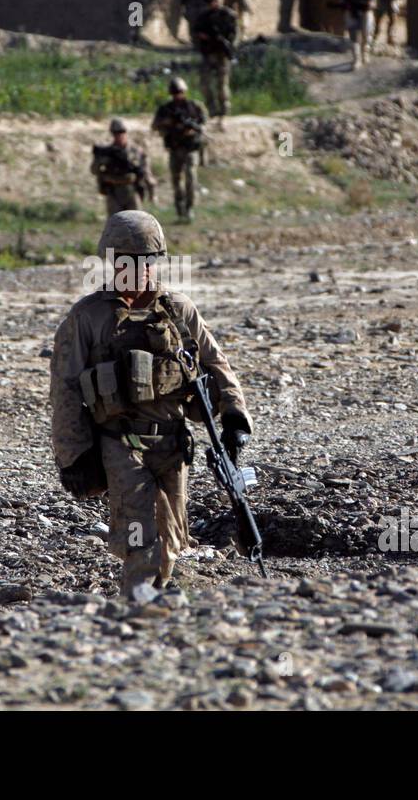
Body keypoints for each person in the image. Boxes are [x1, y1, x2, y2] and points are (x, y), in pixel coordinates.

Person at [49, 210, 253, 601]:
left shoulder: (178, 310)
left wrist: (234, 418)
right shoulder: (87, 319)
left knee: (173, 539)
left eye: (146, 262)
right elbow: (65, 390)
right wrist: (73, 455)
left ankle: (154, 605)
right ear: (110, 263)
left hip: (173, 443)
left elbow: (215, 363)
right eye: (126, 262)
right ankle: (139, 607)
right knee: (140, 538)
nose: (137, 271)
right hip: (121, 444)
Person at [151, 78, 207, 223]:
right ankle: (180, 209)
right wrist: (167, 123)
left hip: (190, 149)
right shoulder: (165, 109)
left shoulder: (194, 106)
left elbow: (203, 123)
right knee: (176, 181)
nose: (178, 95)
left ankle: (189, 209)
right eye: (175, 93)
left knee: (190, 178)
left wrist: (191, 131)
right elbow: (155, 126)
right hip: (175, 148)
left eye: (180, 92)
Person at [91, 118, 156, 215]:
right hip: (114, 192)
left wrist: (152, 192)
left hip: (132, 191)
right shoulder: (107, 152)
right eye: (115, 133)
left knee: (136, 223)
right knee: (116, 224)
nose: (119, 135)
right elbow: (94, 170)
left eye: (121, 132)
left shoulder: (136, 151)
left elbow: (146, 172)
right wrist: (99, 160)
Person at [192, 0, 237, 120]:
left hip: (222, 54)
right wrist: (203, 39)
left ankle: (224, 111)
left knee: (222, 84)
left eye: (213, 0)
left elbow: (234, 35)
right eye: (208, 1)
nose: (211, 3)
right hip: (208, 53)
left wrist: (227, 45)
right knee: (205, 83)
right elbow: (196, 33)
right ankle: (211, 109)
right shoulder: (203, 17)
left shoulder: (228, 15)